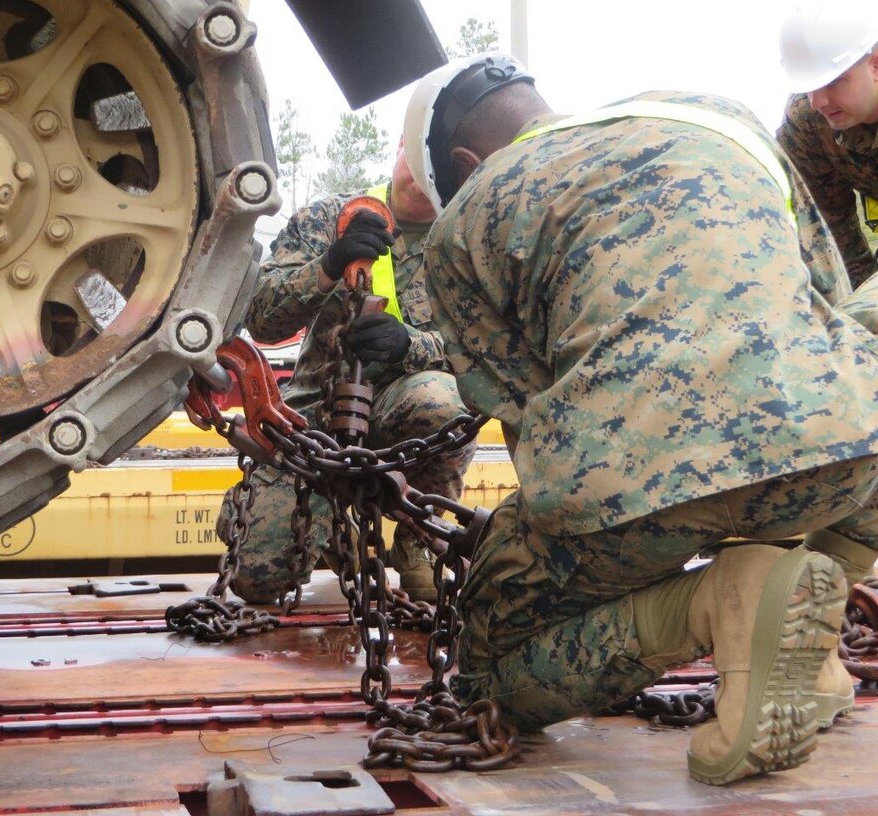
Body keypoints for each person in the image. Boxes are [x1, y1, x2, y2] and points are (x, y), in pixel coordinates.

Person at [402, 52, 878, 785]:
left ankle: (720, 602)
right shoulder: (719, 115)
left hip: (633, 486)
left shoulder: (463, 224)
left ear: (465, 163)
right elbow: (828, 293)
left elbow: (521, 408)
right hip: (838, 450)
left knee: (488, 673)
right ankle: (808, 622)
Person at [214, 139, 476, 603]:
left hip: (405, 414)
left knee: (444, 401)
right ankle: (328, 524)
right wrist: (327, 266)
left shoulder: (469, 242)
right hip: (317, 424)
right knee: (256, 579)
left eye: (435, 171)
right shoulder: (330, 219)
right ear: (399, 144)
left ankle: (419, 540)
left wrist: (409, 346)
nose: (419, 178)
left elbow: (486, 351)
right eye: (415, 160)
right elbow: (262, 320)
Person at [777, 0, 878, 290]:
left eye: (833, 82)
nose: (817, 101)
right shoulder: (807, 122)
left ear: (876, 65)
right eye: (808, 85)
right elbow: (830, 233)